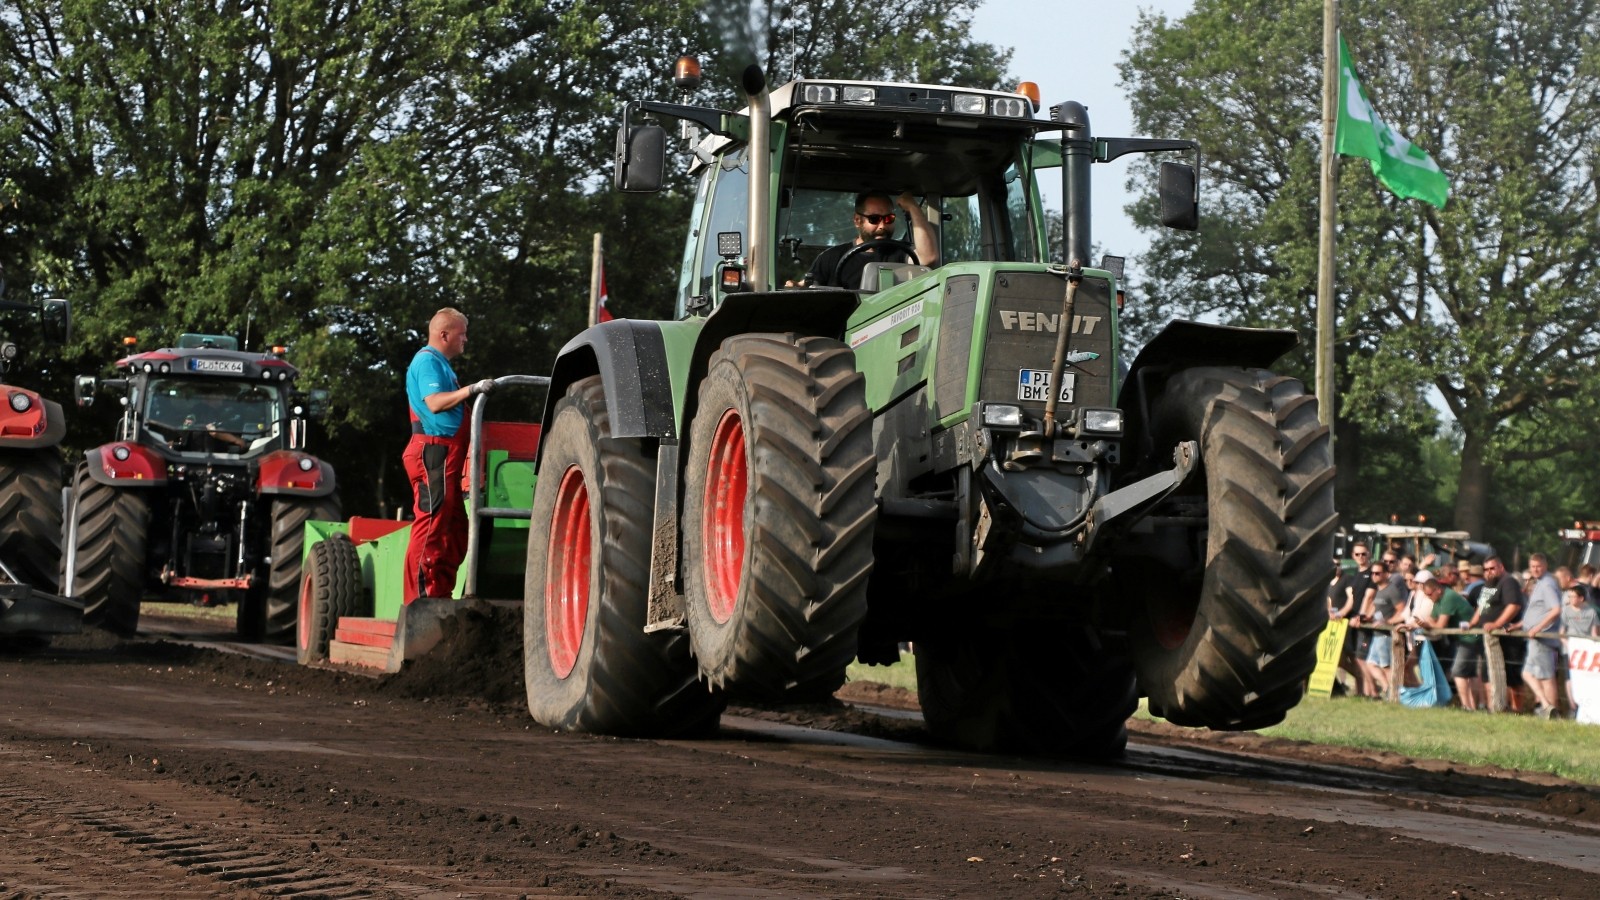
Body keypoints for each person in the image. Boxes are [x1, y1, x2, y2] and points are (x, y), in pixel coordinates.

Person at [402, 308, 495, 604]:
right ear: (444, 335)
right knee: (432, 524)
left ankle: (439, 595)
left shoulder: (441, 365)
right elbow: (435, 403)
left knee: (453, 529)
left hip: (445, 455)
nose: (466, 338)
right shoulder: (428, 361)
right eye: (462, 332)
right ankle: (420, 602)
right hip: (434, 452)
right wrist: (473, 389)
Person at [800, 191, 939, 288]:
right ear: (857, 220)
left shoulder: (902, 253)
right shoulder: (831, 258)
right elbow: (809, 289)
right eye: (874, 219)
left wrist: (913, 207)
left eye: (888, 219)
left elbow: (929, 258)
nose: (882, 226)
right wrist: (799, 287)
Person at [1416, 569, 1483, 710]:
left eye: (1429, 594)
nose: (1428, 597)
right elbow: (1431, 619)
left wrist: (1429, 625)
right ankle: (1473, 706)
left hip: (1469, 638)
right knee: (1469, 675)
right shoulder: (1439, 599)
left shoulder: (1448, 597)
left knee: (1458, 672)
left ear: (1438, 590)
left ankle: (1467, 707)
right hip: (1461, 639)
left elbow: (1439, 625)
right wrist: (1429, 624)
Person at [1511, 552, 1564, 717]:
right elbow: (1538, 611)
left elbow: (1556, 610)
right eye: (1532, 566)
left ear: (1545, 566)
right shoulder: (1540, 583)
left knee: (1547, 677)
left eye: (1538, 566)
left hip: (1542, 639)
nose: (1535, 569)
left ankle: (1552, 712)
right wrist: (1518, 625)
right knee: (1528, 673)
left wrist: (1537, 628)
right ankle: (1547, 706)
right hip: (1534, 638)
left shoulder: (1547, 584)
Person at [1560, 584, 1600, 718]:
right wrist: (1569, 645)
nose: (1570, 599)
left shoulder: (1591, 612)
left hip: (1586, 652)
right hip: (1569, 650)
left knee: (1586, 677)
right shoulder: (1565, 611)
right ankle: (1573, 707)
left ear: (1581, 598)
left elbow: (1594, 633)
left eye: (1572, 596)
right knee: (1569, 678)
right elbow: (1561, 632)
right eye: (1569, 596)